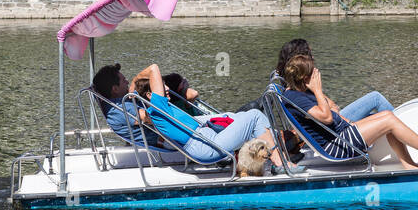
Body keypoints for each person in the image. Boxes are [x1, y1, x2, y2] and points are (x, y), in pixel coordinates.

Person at [92, 63, 286, 169]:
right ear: (114, 88)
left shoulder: (123, 102)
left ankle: (271, 141)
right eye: (123, 79)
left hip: (189, 134)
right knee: (253, 115)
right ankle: (278, 158)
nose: (127, 80)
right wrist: (139, 85)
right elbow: (148, 116)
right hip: (181, 141)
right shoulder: (127, 111)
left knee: (231, 116)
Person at [280, 54, 418, 169]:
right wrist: (318, 89)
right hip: (336, 145)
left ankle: (408, 164)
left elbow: (332, 109)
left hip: (341, 134)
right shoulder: (296, 97)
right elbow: (327, 118)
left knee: (386, 115)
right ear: (306, 78)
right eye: (314, 73)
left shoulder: (301, 92)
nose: (317, 74)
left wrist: (316, 92)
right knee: (388, 121)